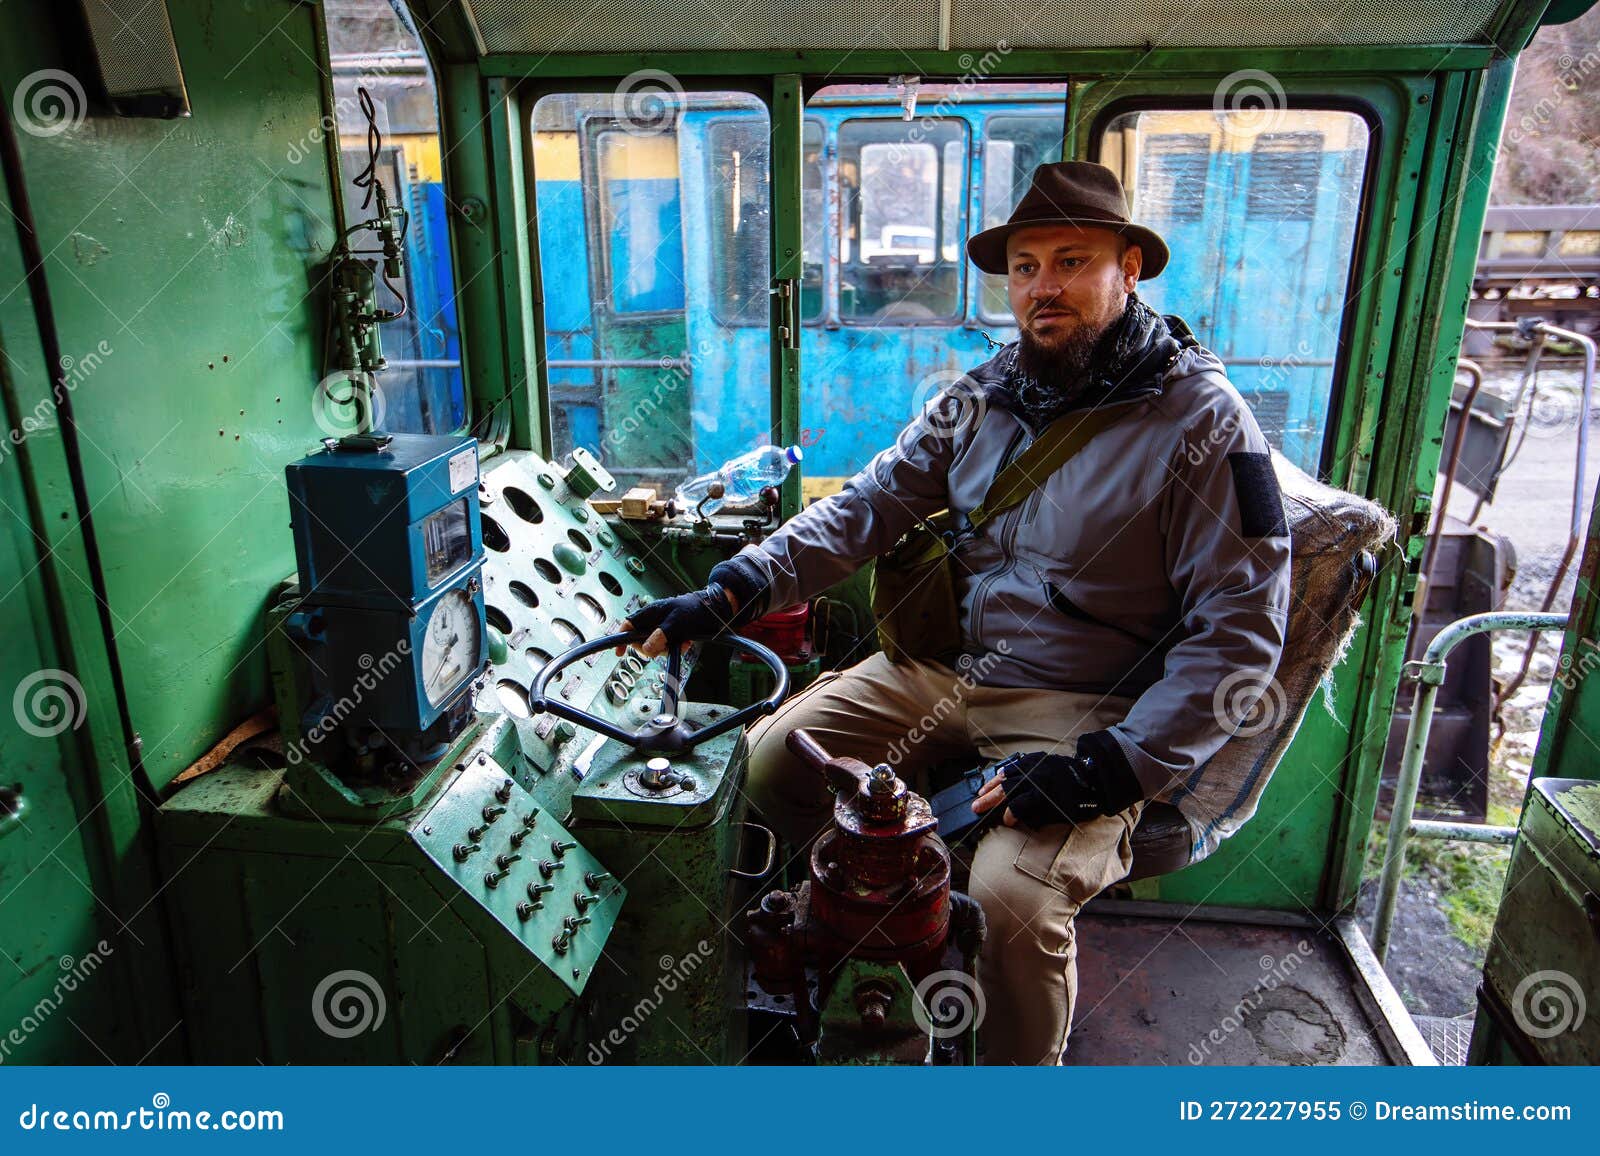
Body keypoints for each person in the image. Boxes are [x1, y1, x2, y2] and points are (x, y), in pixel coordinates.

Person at [623, 161, 1292, 1064]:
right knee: (765, 770)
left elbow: (1241, 634)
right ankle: (810, 982)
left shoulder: (1203, 422)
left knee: (1015, 906)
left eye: (1070, 260)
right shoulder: (984, 396)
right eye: (1024, 267)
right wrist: (736, 585)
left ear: (1128, 268)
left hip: (1083, 708)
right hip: (941, 668)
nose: (1042, 288)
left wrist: (1110, 770)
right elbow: (867, 506)